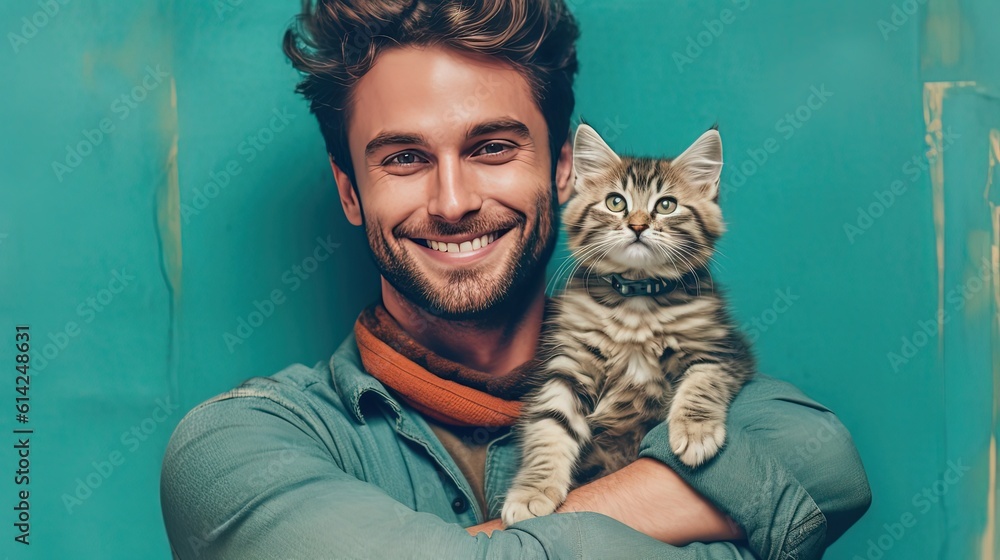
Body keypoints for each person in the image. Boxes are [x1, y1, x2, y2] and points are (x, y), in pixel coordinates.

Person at [159, 1, 871, 558]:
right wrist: (685, 520)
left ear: (565, 172)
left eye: (492, 147)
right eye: (404, 158)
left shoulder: (674, 370)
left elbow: (825, 460)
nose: (452, 202)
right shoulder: (241, 445)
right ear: (350, 192)